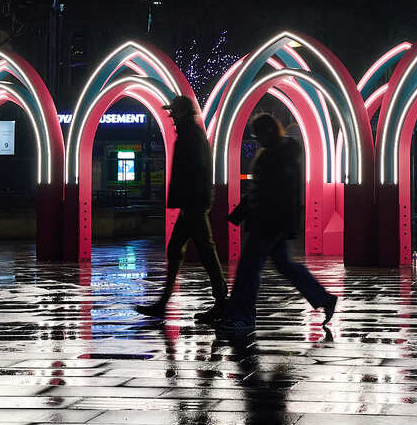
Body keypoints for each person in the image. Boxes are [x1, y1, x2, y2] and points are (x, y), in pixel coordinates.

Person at [215, 113, 337, 332]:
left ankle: (242, 317)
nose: (257, 139)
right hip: (272, 222)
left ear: (268, 132)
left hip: (267, 223)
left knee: (248, 270)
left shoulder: (278, 156)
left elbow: (272, 192)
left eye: (258, 134)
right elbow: (265, 189)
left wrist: (248, 213)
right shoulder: (278, 153)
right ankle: (324, 298)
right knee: (284, 265)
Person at [137, 95, 227, 319]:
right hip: (193, 202)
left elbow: (195, 171)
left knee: (201, 250)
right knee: (182, 249)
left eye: (173, 112)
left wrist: (188, 200)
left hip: (193, 204)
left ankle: (221, 300)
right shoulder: (191, 134)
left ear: (183, 113)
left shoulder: (191, 136)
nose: (170, 116)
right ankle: (166, 302)